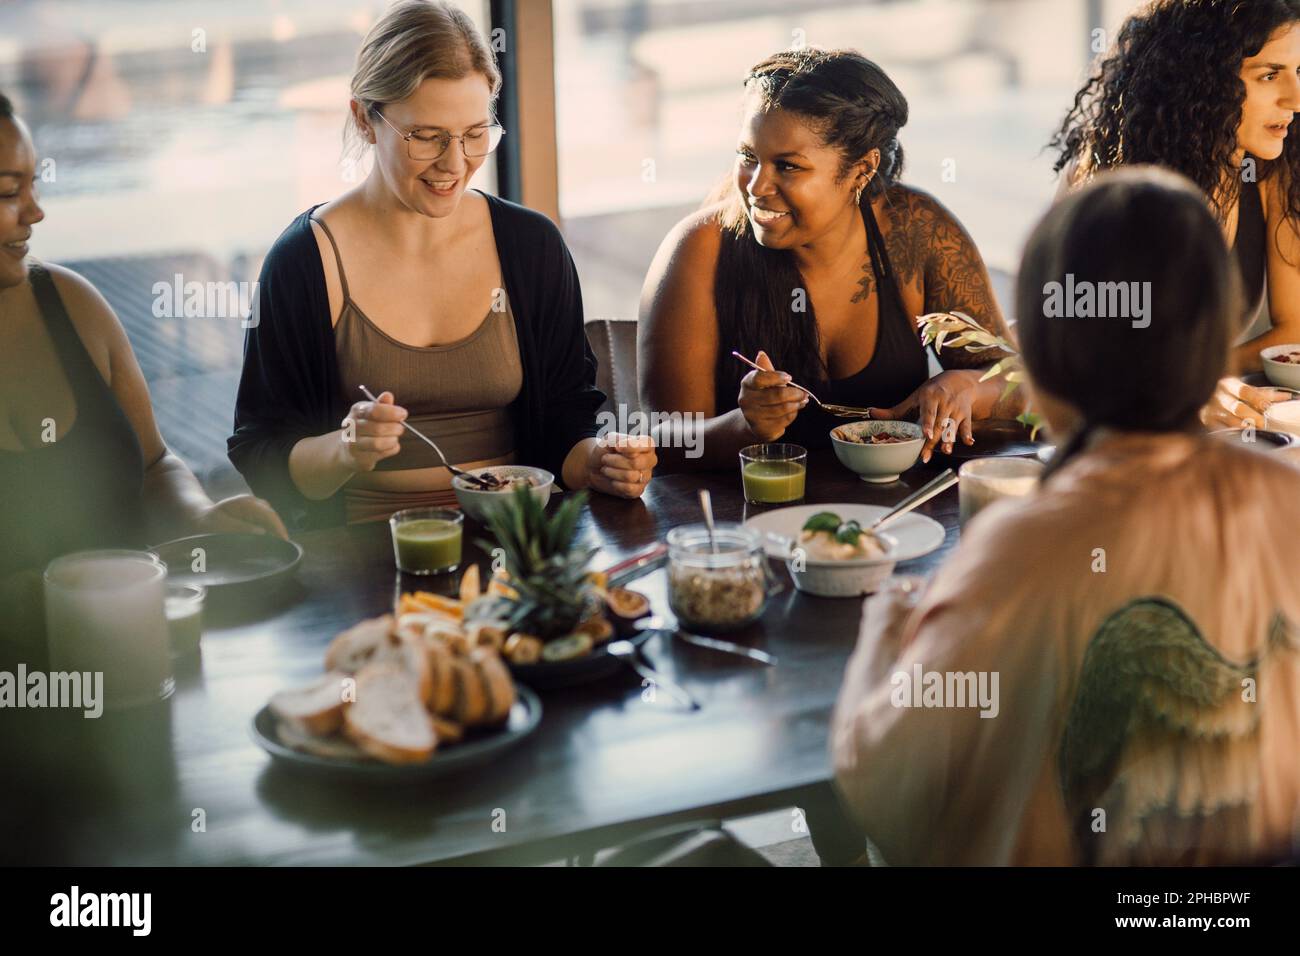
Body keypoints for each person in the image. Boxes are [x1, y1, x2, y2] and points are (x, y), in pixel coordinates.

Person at [831, 168, 1300, 865]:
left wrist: (887, 629)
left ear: (1042, 370)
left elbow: (892, 785)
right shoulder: (1286, 495)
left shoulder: (1024, 545)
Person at [228, 0, 655, 528]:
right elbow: (259, 452)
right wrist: (344, 449)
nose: (455, 165)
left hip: (516, 537)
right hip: (364, 552)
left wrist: (596, 462)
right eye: (427, 137)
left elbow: (563, 422)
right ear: (365, 118)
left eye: (475, 134)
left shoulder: (531, 245)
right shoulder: (303, 262)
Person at [638, 48, 1022, 470]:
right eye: (748, 157)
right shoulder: (699, 249)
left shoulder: (918, 231)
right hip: (745, 523)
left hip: (894, 522)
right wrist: (745, 426)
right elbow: (663, 438)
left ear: (862, 169)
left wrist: (965, 385)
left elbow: (1013, 382)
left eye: (787, 166)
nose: (757, 186)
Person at [0, 91, 286, 649]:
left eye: (35, 185)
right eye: (10, 191)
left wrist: (201, 520)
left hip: (136, 654)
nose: (35, 211)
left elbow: (155, 464)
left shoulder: (73, 304)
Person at [1052, 0, 1300, 425]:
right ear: (1205, 79)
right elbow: (1074, 347)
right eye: (1269, 75)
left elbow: (1293, 330)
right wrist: (1188, 386)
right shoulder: (1108, 188)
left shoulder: (1271, 171)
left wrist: (1201, 380)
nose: (1295, 100)